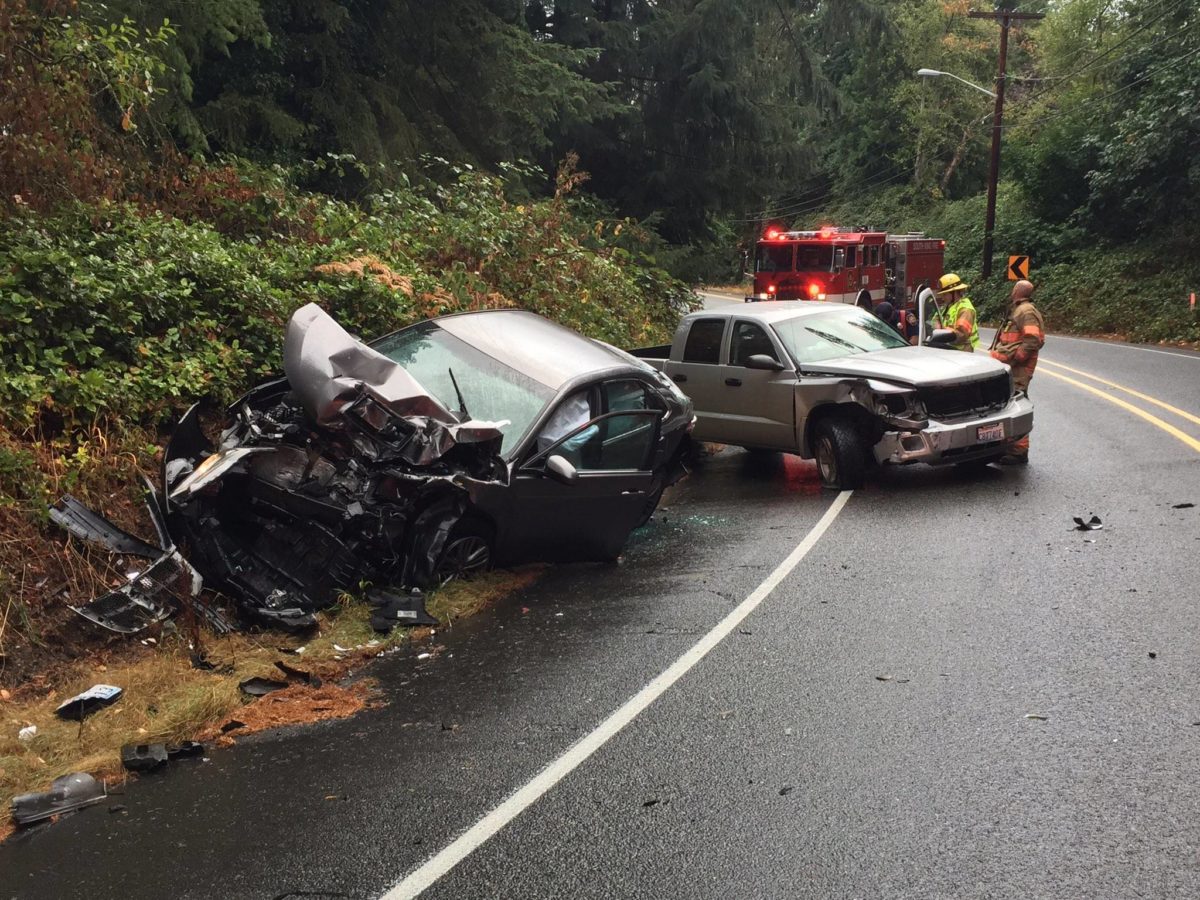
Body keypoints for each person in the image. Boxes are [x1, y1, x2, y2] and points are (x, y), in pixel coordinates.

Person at [989, 278, 1045, 465]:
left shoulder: (1026, 311)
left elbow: (1033, 339)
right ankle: (1009, 447)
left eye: (1014, 289)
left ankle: (1018, 452)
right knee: (1007, 404)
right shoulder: (1019, 310)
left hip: (1018, 369)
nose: (1012, 292)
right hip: (1011, 367)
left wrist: (1017, 358)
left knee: (1017, 405)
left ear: (1018, 292)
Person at [933, 273, 979, 351]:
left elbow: (961, 334)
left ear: (954, 292)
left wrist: (941, 331)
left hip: (961, 352)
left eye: (944, 294)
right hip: (949, 350)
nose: (942, 298)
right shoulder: (948, 306)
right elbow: (935, 318)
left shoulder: (965, 310)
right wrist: (937, 323)